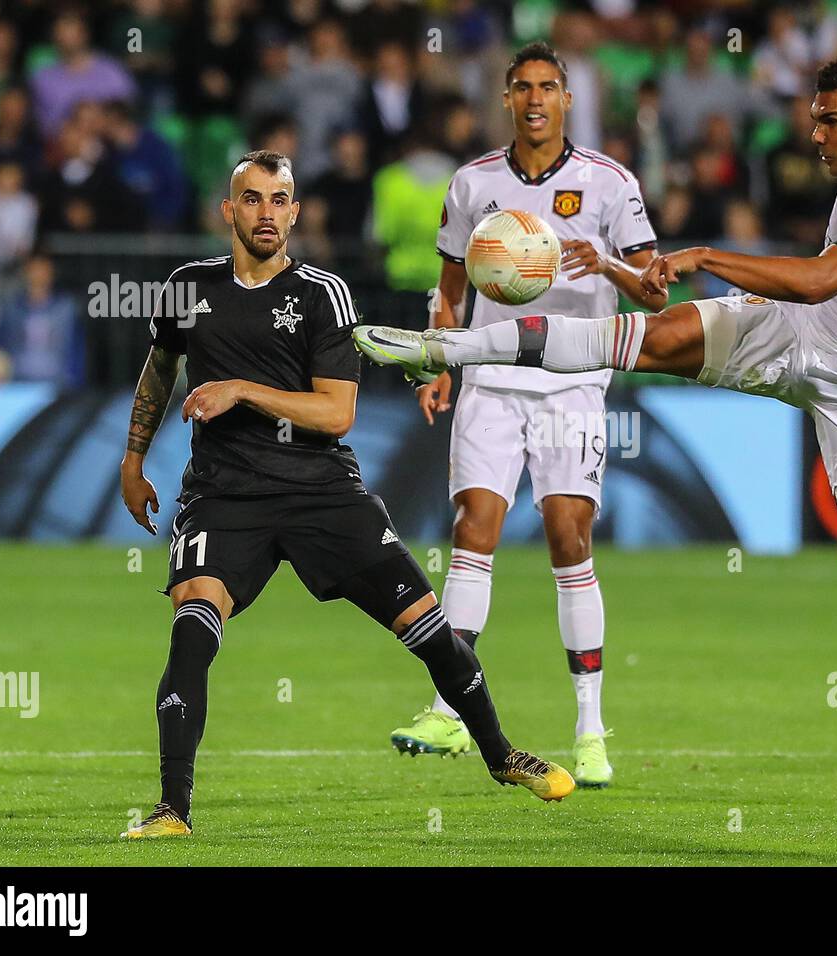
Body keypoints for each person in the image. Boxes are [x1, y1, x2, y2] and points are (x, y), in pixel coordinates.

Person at [356, 57, 837, 772]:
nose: (815, 133)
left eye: (830, 119)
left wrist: (705, 254)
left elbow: (822, 277)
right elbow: (813, 297)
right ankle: (442, 346)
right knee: (640, 341)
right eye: (814, 116)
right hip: (800, 334)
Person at [118, 150, 573, 839]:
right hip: (223, 495)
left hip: (320, 491)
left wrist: (241, 388)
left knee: (430, 629)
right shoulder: (186, 287)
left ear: (296, 213)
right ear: (229, 209)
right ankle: (172, 809)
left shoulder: (322, 293)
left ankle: (502, 754)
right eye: (252, 199)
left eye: (279, 201)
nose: (266, 213)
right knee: (192, 622)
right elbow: (160, 367)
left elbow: (336, 414)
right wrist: (133, 457)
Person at [384, 43, 664, 789]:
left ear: (567, 99)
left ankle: (590, 730)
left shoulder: (609, 184)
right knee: (474, 528)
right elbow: (448, 286)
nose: (535, 99)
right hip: (491, 380)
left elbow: (657, 293)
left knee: (569, 539)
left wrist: (606, 264)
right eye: (522, 88)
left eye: (548, 87)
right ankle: (447, 708)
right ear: (505, 100)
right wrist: (439, 359)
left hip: (572, 384)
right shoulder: (473, 183)